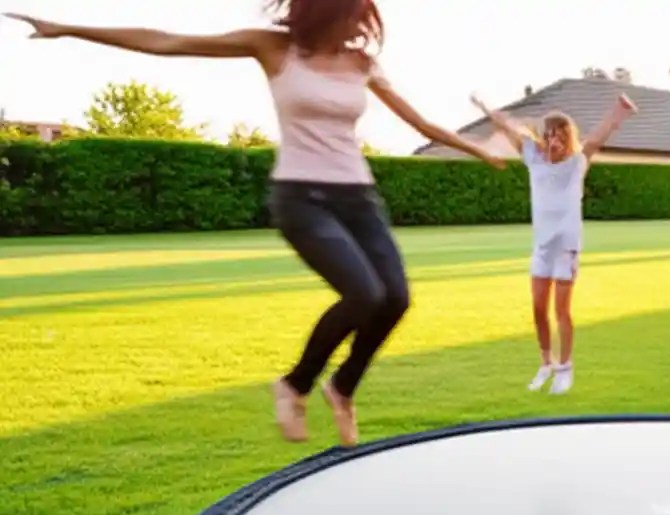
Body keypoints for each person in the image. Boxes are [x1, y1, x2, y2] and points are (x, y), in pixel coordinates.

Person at [4, 2, 507, 447]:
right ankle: (295, 385)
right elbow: (168, 42)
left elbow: (420, 124)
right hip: (301, 198)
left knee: (396, 298)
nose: (358, 28)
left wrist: (478, 149)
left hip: (359, 197)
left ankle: (342, 388)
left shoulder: (361, 63)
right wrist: (69, 29)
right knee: (363, 295)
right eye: (351, 15)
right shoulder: (273, 47)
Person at [469, 93, 637, 394]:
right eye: (549, 135)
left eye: (560, 135)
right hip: (542, 248)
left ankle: (565, 367)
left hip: (566, 249)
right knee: (537, 308)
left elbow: (597, 139)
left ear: (567, 138)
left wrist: (618, 113)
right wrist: (485, 108)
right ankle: (545, 363)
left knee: (562, 311)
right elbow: (509, 128)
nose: (553, 140)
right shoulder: (533, 157)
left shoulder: (576, 164)